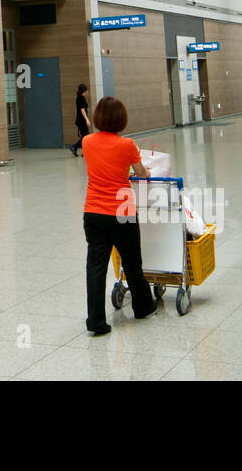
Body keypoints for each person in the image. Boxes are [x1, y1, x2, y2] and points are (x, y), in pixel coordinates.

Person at [81, 96, 156, 336]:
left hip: (93, 211)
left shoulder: (87, 142)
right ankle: (143, 306)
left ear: (97, 118)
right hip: (122, 212)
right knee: (132, 262)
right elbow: (141, 173)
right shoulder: (128, 145)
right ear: (121, 119)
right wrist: (144, 172)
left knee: (95, 267)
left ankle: (95, 320)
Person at [69, 84, 91, 157]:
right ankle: (74, 147)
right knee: (85, 137)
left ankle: (84, 152)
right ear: (84, 90)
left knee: (85, 137)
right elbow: (82, 110)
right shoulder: (81, 98)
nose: (87, 91)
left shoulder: (80, 98)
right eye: (87, 90)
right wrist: (87, 119)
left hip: (80, 120)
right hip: (81, 120)